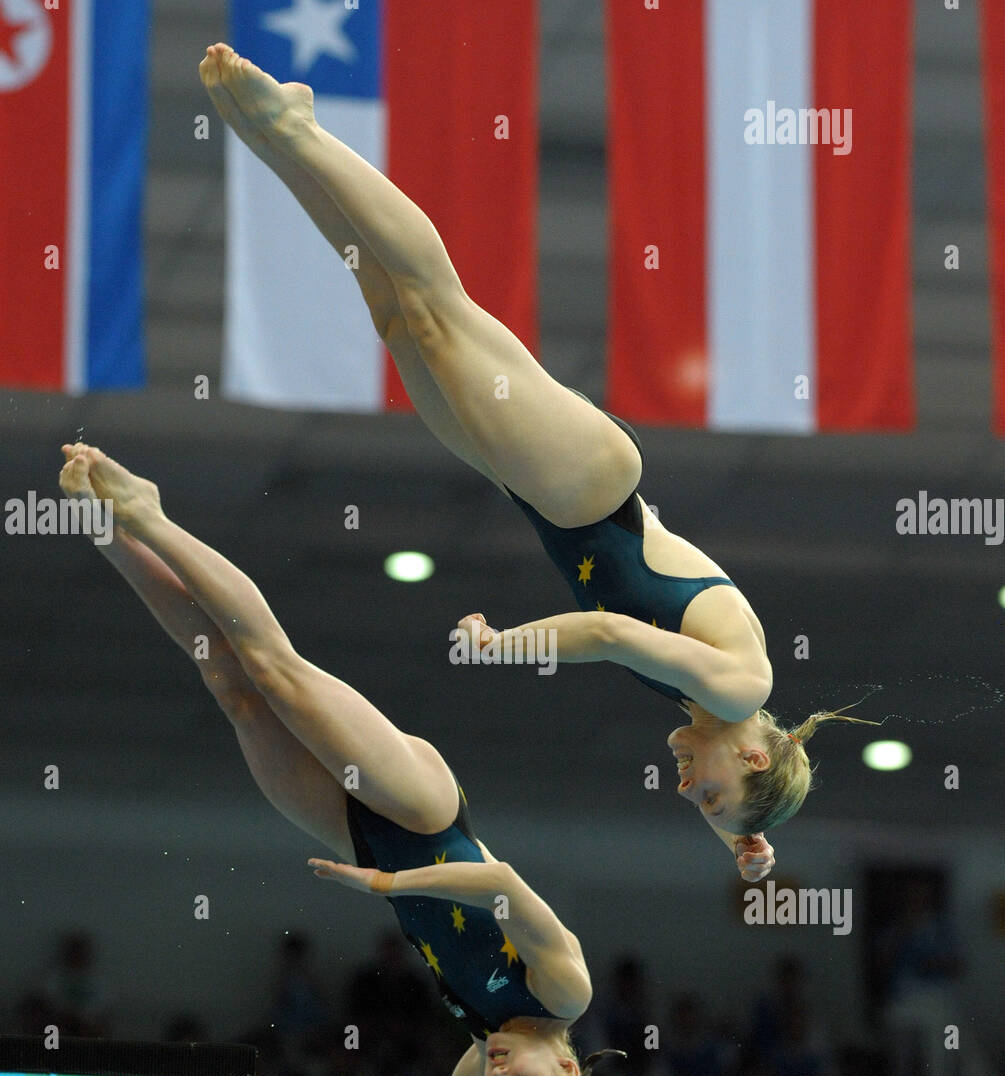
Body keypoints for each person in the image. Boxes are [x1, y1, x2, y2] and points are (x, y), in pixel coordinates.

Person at [198, 43, 876, 876]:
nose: (682, 790)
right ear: (753, 758)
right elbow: (605, 630)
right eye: (706, 794)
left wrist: (740, 836)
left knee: (397, 316)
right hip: (588, 489)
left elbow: (713, 764)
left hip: (543, 493)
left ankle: (278, 144)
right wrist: (508, 645)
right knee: (434, 308)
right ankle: (296, 131)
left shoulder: (715, 705)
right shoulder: (740, 690)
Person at [58, 444, 627, 1076]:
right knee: (274, 669)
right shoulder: (563, 996)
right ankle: (148, 510)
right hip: (425, 814)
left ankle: (107, 531)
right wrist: (389, 889)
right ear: (566, 1063)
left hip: (362, 840)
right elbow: (502, 885)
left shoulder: (482, 1049)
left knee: (233, 690)